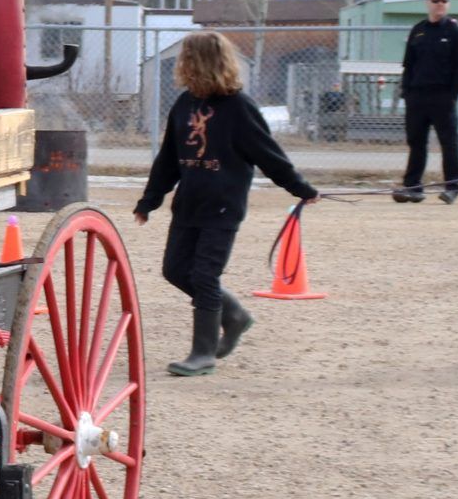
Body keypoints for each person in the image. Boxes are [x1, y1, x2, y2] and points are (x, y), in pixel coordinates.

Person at [133, 31, 319, 378]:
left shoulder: (238, 107)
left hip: (222, 207)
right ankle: (234, 316)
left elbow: (269, 154)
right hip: (188, 205)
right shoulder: (184, 104)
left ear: (203, 62)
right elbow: (168, 159)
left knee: (205, 275)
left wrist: (300, 188)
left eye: (187, 58)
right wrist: (150, 199)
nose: (181, 66)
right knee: (175, 270)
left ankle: (203, 352)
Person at [396, 0, 458, 204]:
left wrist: (452, 94)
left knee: (449, 142)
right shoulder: (418, 30)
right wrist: (407, 92)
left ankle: (453, 186)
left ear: (448, 5)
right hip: (417, 97)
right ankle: (413, 186)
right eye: (435, 0)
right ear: (427, 3)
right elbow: (408, 65)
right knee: (416, 142)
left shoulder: (455, 31)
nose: (440, 4)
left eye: (444, 1)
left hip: (443, 97)